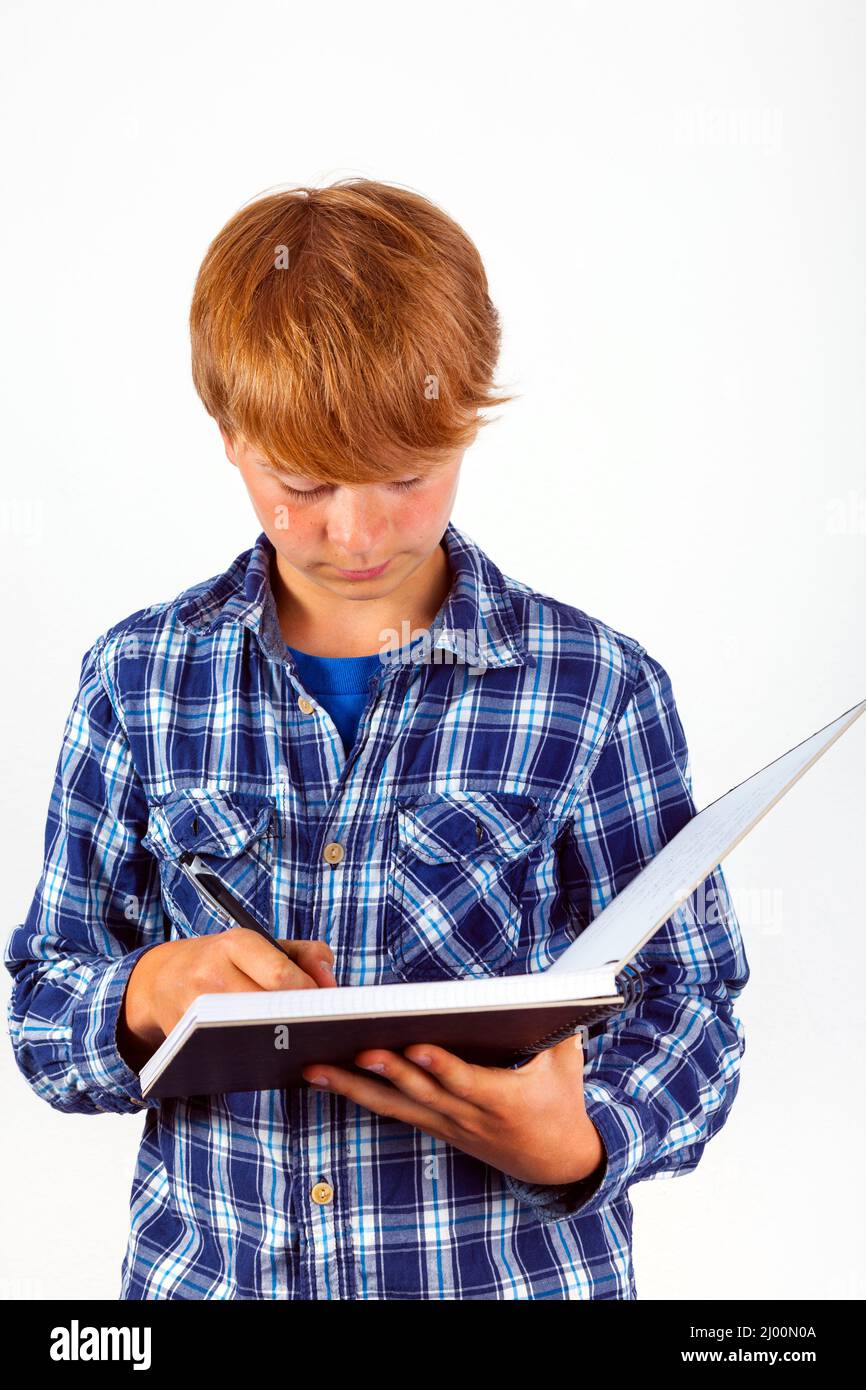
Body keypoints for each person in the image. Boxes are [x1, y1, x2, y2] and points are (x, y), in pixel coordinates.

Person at [5, 178, 749, 1301]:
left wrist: (580, 1140)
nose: (353, 532)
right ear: (227, 436)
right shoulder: (138, 680)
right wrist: (149, 989)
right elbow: (41, 1003)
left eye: (405, 478)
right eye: (300, 483)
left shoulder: (595, 690)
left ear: (465, 424)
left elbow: (691, 1004)